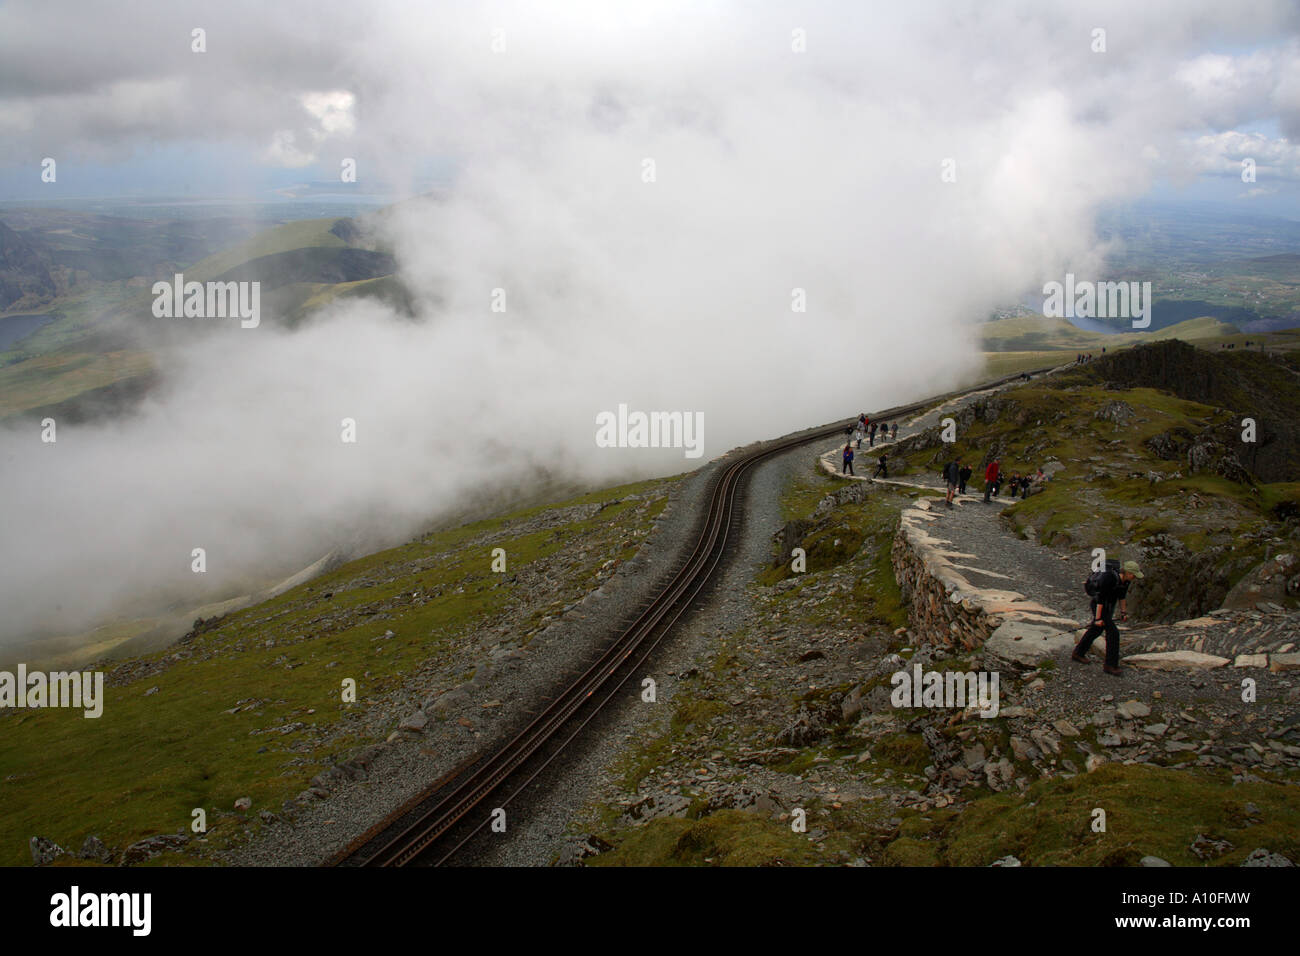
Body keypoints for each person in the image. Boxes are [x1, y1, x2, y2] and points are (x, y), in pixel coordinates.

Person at [1073, 560, 1143, 675]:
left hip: (1109, 606)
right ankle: (1110, 665)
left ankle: (1078, 653)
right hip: (1099, 606)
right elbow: (1100, 599)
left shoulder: (1125, 581)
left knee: (1096, 630)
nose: (1134, 577)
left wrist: (1123, 612)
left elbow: (1122, 597)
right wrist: (1098, 618)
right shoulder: (1110, 578)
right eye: (1134, 575)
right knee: (1113, 633)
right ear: (1128, 573)